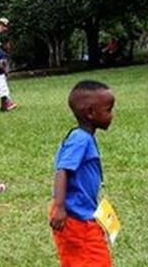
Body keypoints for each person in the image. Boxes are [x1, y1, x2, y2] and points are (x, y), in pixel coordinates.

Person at [50, 80, 115, 267]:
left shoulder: (83, 137)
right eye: (108, 110)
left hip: (82, 215)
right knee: (96, 261)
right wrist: (60, 207)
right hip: (75, 218)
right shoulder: (80, 139)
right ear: (90, 113)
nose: (112, 115)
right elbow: (62, 170)